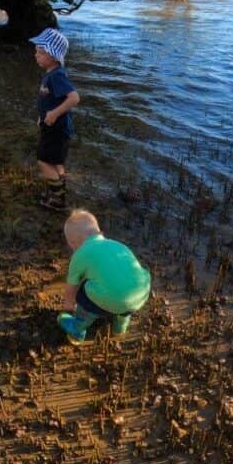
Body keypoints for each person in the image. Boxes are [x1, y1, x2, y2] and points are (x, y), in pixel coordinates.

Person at [58, 209, 151, 344]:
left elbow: (71, 287)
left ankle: (78, 328)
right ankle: (120, 327)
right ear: (99, 232)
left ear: (74, 244)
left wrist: (69, 306)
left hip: (114, 298)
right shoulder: (117, 245)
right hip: (139, 295)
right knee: (122, 287)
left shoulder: (80, 253)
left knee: (83, 290)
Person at [29, 28, 80, 211]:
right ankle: (57, 192)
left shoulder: (57, 75)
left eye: (41, 52)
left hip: (56, 130)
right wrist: (42, 117)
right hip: (56, 128)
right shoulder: (51, 73)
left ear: (54, 56)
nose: (36, 55)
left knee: (43, 161)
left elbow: (74, 98)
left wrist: (54, 114)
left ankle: (58, 200)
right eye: (36, 51)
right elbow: (50, 100)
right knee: (56, 162)